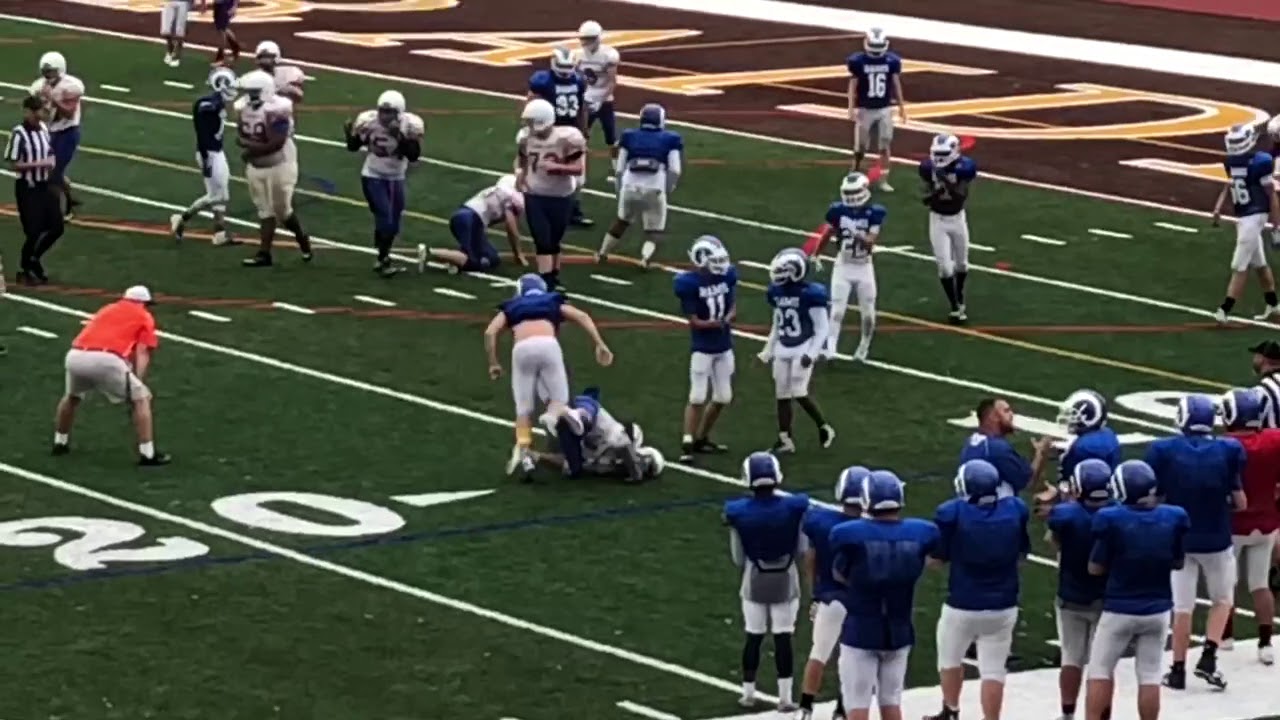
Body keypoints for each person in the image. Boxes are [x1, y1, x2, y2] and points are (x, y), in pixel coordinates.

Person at [1144, 393, 1246, 690]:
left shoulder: (1163, 450)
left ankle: (1177, 669)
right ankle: (1209, 656)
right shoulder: (1228, 450)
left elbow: (1154, 497)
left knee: (1182, 606)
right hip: (1216, 537)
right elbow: (1240, 502)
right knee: (1223, 599)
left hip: (1180, 539)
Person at [1084, 460, 1189, 720]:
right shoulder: (1172, 517)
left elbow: (1095, 568)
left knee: (1099, 670)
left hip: (1120, 608)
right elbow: (1178, 562)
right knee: (1150, 674)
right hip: (1158, 609)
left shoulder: (1111, 519)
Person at [830, 470, 939, 720]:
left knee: (857, 705)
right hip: (899, 631)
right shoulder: (920, 533)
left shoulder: (849, 534)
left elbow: (839, 573)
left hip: (861, 630)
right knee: (891, 702)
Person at [927, 458, 1030, 720]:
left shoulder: (952, 513)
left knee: (949, 659)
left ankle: (950, 710)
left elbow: (936, 561)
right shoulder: (1015, 509)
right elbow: (1021, 558)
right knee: (994, 670)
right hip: (1003, 604)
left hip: (963, 603)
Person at [484, 274, 612, 481]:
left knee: (523, 409)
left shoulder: (513, 306)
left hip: (522, 350)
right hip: (548, 345)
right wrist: (599, 343)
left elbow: (490, 332)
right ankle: (556, 415)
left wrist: (493, 362)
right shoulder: (551, 301)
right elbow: (582, 316)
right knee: (560, 401)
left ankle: (525, 454)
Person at [723, 451, 810, 713]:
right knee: (783, 637)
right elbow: (802, 547)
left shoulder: (738, 512)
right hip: (786, 577)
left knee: (754, 636)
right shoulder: (794, 508)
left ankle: (748, 692)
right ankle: (785, 697)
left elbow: (739, 558)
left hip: (754, 578)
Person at [52, 286, 171, 466]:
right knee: (142, 399)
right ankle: (148, 454)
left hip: (75, 355)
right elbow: (142, 351)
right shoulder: (143, 316)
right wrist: (138, 380)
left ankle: (60, 442)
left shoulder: (107, 309)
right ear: (144, 303)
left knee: (71, 398)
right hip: (106, 359)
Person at [797, 465, 869, 720]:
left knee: (819, 654)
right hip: (860, 603)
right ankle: (842, 708)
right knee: (853, 660)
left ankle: (805, 709)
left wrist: (814, 593)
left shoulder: (821, 522)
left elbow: (810, 559)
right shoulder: (871, 531)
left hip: (829, 599)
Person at [1046, 458, 1114, 720]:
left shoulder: (1066, 516)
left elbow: (1053, 541)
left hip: (1071, 596)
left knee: (1071, 658)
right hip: (1106, 597)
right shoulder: (1115, 516)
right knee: (1102, 666)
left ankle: (1067, 713)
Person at [1219, 387, 1279, 664]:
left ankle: (1226, 637)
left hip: (1235, 523)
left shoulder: (1226, 447)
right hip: (1267, 522)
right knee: (1260, 584)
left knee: (1226, 584)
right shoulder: (1274, 439)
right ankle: (1266, 643)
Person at [759, 248, 835, 454]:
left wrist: (811, 354)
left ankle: (824, 427)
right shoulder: (776, 292)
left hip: (802, 345)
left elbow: (822, 328)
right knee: (781, 394)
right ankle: (785, 439)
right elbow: (777, 323)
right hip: (783, 346)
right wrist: (767, 351)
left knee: (799, 391)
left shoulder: (811, 294)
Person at [236, 70, 313, 268]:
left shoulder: (278, 109)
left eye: (254, 92)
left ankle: (302, 238)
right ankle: (264, 254)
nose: (249, 96)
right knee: (264, 211)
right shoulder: (244, 107)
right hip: (256, 165)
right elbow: (240, 135)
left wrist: (251, 150)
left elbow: (277, 142)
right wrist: (251, 148)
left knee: (282, 211)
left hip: (280, 164)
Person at [344, 90, 425, 277]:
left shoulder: (409, 125)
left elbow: (413, 155)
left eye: (389, 112)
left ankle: (383, 255)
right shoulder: (369, 122)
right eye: (382, 111)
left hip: (396, 177)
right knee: (385, 220)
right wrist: (350, 134)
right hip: (373, 175)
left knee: (393, 224)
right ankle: (382, 259)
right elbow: (353, 146)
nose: (384, 116)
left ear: (400, 113)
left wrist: (400, 136)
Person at [596, 103, 683, 268]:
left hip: (630, 186)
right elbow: (675, 170)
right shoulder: (671, 139)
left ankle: (602, 252)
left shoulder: (629, 136)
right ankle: (644, 259)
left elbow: (620, 169)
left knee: (622, 221)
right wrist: (668, 187)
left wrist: (619, 188)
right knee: (654, 230)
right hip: (654, 187)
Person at [1210, 124, 1280, 323]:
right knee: (1260, 264)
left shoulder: (1243, 162)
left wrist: (1276, 225)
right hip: (1245, 217)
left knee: (1239, 266)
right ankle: (1273, 305)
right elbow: (1233, 184)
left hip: (1254, 216)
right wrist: (1218, 207)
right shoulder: (1256, 161)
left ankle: (1224, 310)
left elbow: (1271, 194)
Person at [674, 236, 735, 462]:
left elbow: (732, 303)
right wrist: (715, 323)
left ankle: (702, 437)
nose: (721, 265)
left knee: (723, 397)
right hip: (702, 347)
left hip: (724, 346)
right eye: (715, 260)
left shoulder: (728, 275)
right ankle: (687, 441)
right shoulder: (688, 284)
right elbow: (694, 321)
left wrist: (728, 316)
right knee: (698, 396)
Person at [811, 171, 883, 361]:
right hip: (843, 265)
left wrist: (855, 231)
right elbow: (828, 232)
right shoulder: (838, 211)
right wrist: (817, 253)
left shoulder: (874, 212)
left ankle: (864, 346)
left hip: (864, 267)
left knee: (868, 314)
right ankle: (831, 349)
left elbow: (869, 243)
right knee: (836, 311)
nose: (851, 197)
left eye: (854, 192)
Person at [515, 98, 585, 291]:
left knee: (554, 239)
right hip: (535, 194)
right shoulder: (525, 138)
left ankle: (553, 277)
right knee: (542, 239)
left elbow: (578, 169)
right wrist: (520, 174)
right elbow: (521, 159)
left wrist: (558, 167)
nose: (528, 126)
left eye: (531, 121)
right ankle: (546, 280)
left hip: (561, 195)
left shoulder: (567, 138)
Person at [530, 387, 663, 482]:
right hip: (590, 415)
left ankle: (531, 456)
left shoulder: (609, 465)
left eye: (648, 469)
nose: (645, 466)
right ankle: (572, 414)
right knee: (589, 417)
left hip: (579, 438)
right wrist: (636, 474)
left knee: (573, 467)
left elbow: (574, 463)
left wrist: (538, 457)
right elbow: (621, 441)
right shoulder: (630, 436)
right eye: (648, 465)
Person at [171, 67, 237, 247]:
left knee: (220, 193)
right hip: (209, 152)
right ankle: (182, 218)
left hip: (216, 151)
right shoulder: (208, 104)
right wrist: (207, 159)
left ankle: (219, 233)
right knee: (218, 195)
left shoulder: (216, 103)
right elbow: (202, 115)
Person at [920, 133, 978, 323]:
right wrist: (934, 191)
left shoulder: (964, 167)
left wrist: (945, 181)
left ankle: (959, 294)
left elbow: (961, 195)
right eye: (937, 152)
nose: (939, 157)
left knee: (962, 264)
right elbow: (925, 198)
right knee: (945, 268)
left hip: (957, 218)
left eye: (943, 152)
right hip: (938, 219)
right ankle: (955, 306)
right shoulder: (928, 168)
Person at [8, 94, 62, 285]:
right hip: (27, 187)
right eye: (39, 110)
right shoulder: (18, 133)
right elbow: (15, 164)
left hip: (44, 185)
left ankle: (34, 259)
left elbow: (50, 154)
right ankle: (25, 268)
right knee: (33, 230)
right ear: (29, 111)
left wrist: (51, 162)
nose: (42, 113)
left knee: (57, 226)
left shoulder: (44, 130)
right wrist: (40, 163)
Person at [845, 27, 905, 191]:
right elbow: (853, 84)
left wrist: (901, 107)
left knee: (884, 145)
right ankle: (855, 171)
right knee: (861, 147)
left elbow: (895, 83)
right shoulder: (858, 61)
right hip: (865, 108)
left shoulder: (891, 61)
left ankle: (884, 179)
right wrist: (851, 107)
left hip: (884, 108)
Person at [426, 175, 525, 274]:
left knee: (492, 258)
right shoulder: (515, 198)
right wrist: (518, 255)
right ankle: (428, 253)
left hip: (464, 216)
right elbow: (511, 228)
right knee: (474, 262)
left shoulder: (502, 186)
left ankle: (455, 260)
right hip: (471, 220)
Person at [961, 396, 1053, 499]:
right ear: (993, 417)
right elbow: (1028, 482)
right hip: (997, 510)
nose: (1012, 415)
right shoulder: (997, 448)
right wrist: (1040, 454)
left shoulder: (972, 442)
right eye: (1006, 411)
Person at [31, 51, 83, 220]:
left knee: (53, 174)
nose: (48, 75)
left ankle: (62, 210)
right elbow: (42, 115)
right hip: (49, 133)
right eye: (45, 72)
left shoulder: (71, 86)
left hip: (68, 133)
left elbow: (68, 113)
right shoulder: (39, 86)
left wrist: (53, 100)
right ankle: (68, 198)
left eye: (51, 71)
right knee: (49, 171)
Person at [160, 0, 196, 67]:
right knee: (165, 31)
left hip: (183, 2)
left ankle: (177, 56)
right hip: (169, 2)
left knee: (179, 31)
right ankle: (170, 51)